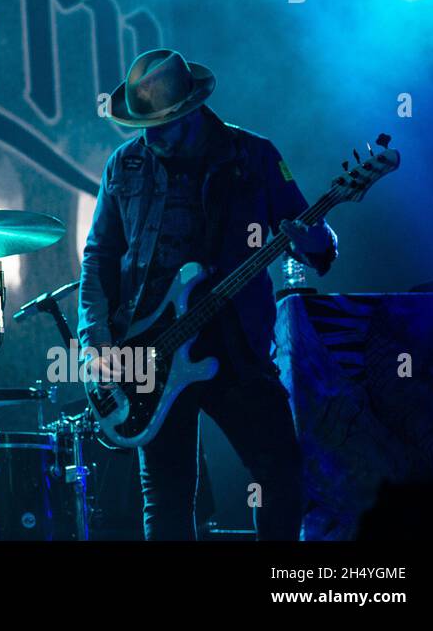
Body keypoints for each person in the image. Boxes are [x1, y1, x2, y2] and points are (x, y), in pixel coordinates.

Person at [77, 49, 336, 540]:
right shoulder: (126, 164)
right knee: (167, 500)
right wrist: (97, 339)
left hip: (236, 347)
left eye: (164, 123)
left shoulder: (254, 156)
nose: (151, 136)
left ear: (191, 109)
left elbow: (314, 240)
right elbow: (99, 257)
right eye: (143, 123)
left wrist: (315, 242)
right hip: (149, 349)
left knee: (283, 479)